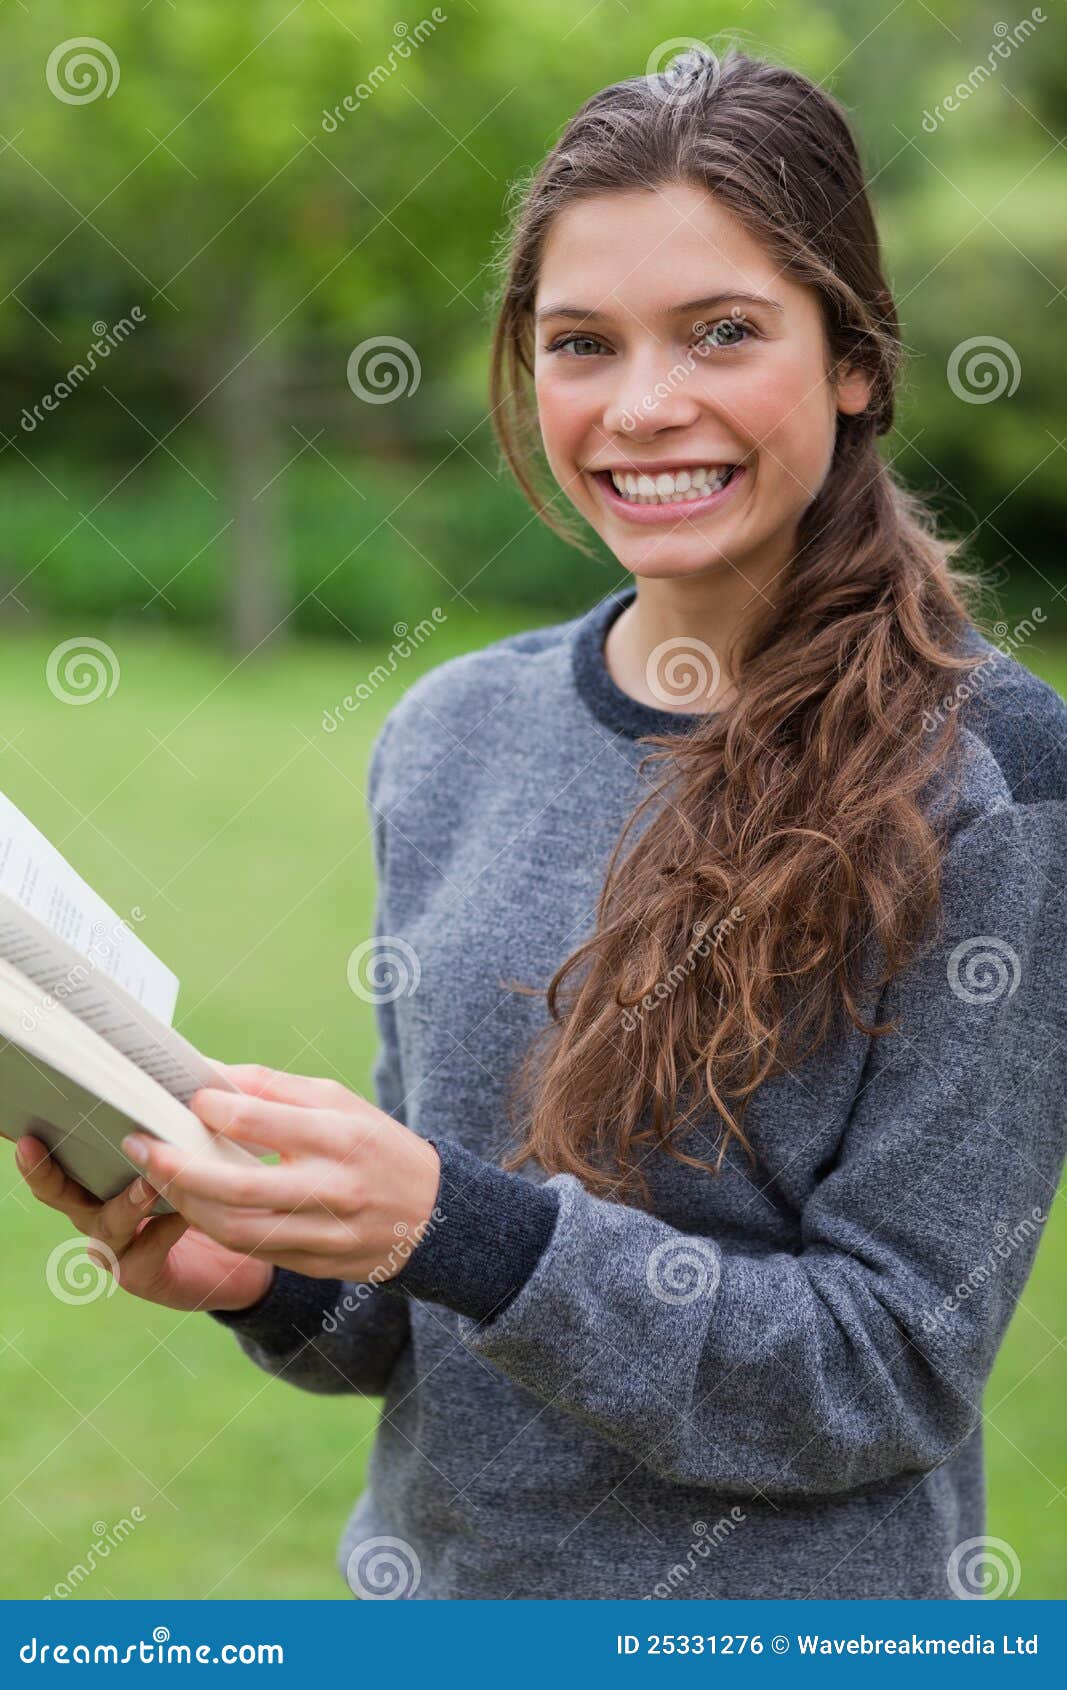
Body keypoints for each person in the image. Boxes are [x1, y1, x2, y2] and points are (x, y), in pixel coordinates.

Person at [17, 45, 1067, 1602]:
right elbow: (435, 1308)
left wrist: (461, 1221)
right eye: (583, 343)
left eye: (721, 332)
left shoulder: (996, 775)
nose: (645, 405)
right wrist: (275, 1275)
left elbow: (888, 1368)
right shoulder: (450, 733)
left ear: (855, 360)